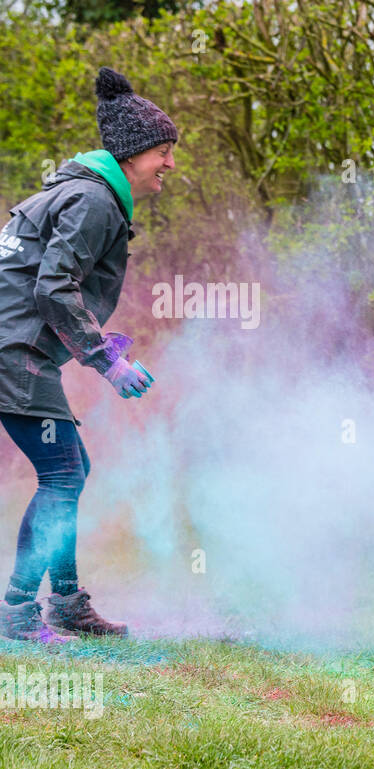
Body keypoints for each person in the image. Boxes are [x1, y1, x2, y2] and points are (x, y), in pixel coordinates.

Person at [0, 67, 175, 643]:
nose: (170, 165)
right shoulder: (94, 201)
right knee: (63, 473)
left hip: (17, 348)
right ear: (129, 154)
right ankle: (20, 613)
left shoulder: (79, 192)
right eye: (163, 151)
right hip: (13, 351)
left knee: (70, 471)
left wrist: (96, 345)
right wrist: (109, 363)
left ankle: (67, 604)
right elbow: (54, 288)